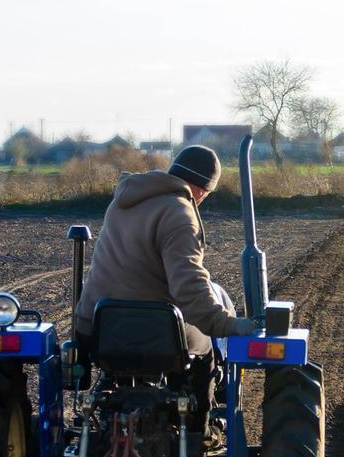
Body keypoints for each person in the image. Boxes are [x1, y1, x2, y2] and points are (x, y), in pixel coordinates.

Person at [73, 144, 258, 359]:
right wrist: (226, 324)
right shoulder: (181, 214)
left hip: (95, 325)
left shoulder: (124, 199)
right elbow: (188, 287)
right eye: (205, 195)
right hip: (151, 329)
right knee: (207, 349)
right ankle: (202, 393)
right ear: (201, 189)